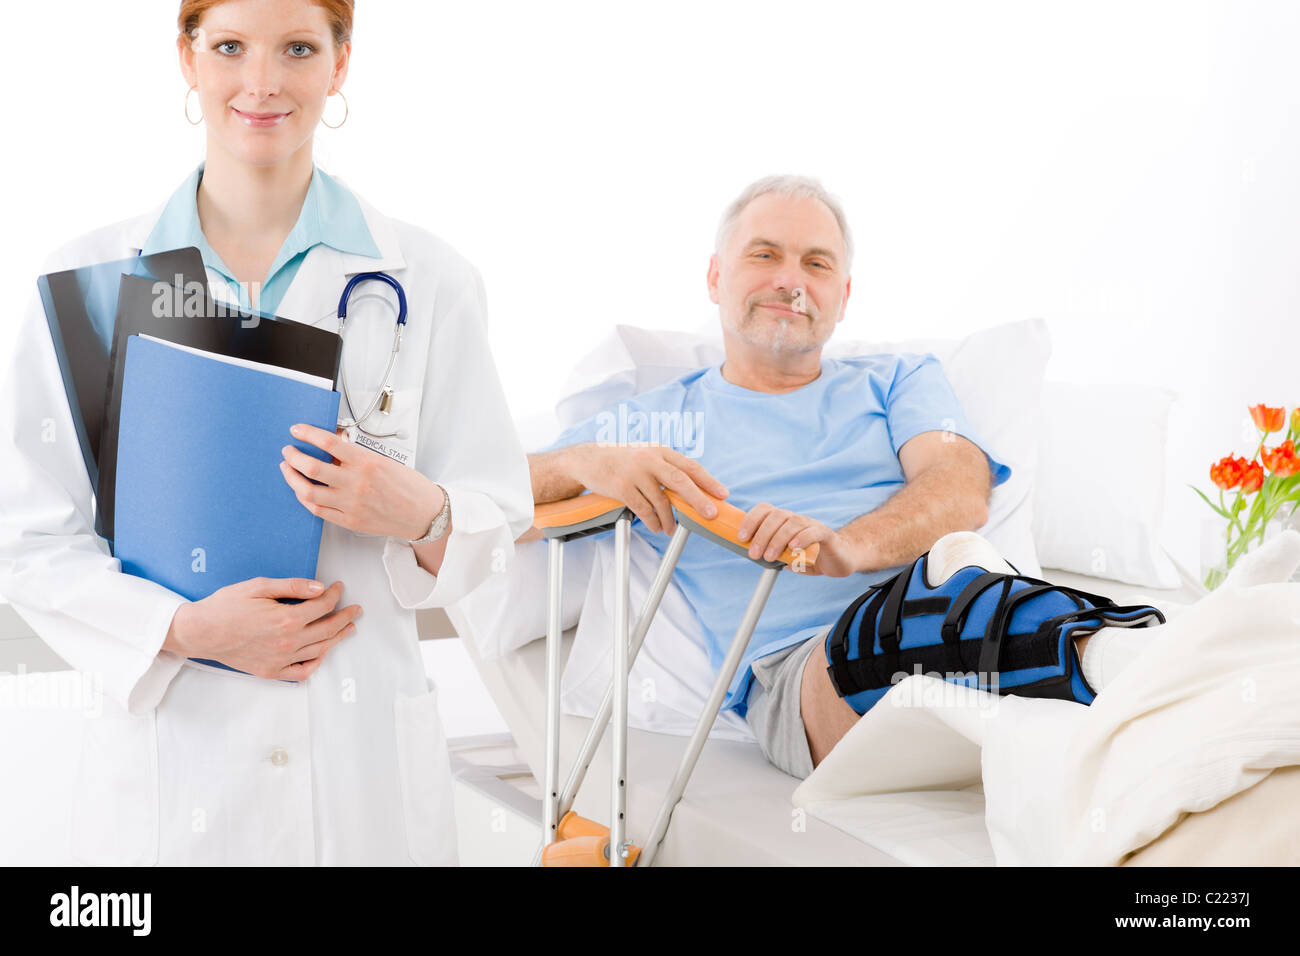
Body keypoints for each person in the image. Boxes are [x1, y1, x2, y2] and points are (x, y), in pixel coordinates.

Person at [0, 0, 532, 865]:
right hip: (178, 760)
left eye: (296, 48)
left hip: (359, 757)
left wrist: (424, 512)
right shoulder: (91, 285)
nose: (261, 82)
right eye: (230, 47)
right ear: (187, 59)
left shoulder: (429, 279)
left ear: (340, 64)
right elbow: (25, 538)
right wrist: (179, 631)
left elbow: (498, 522)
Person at [527, 174, 1021, 779]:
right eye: (765, 255)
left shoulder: (899, 380)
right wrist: (583, 461)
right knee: (956, 656)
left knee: (1077, 642)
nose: (791, 281)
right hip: (804, 668)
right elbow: (490, 495)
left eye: (816, 264)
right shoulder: (648, 425)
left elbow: (959, 486)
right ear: (715, 277)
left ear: (842, 295)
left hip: (960, 604)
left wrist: (846, 547)